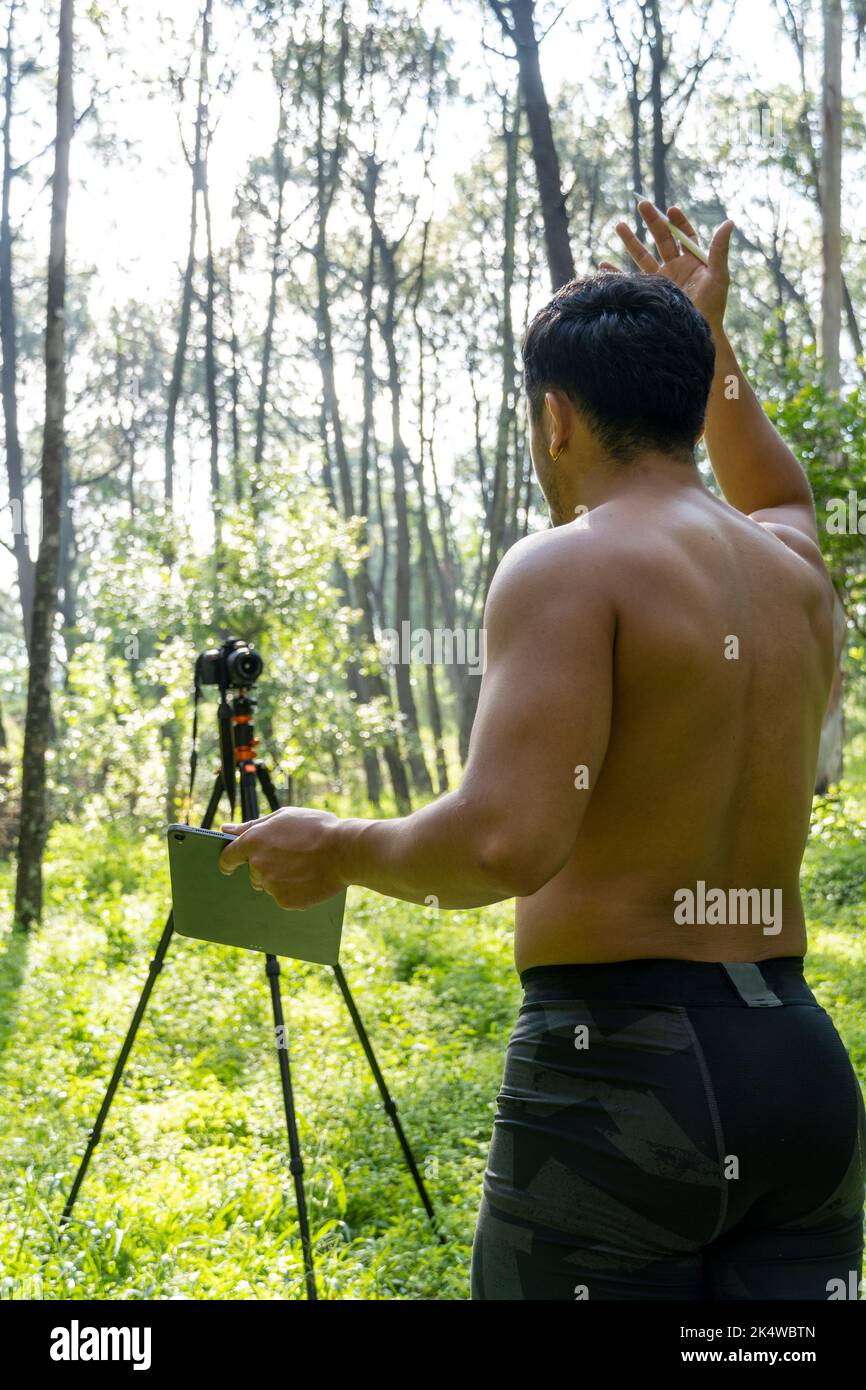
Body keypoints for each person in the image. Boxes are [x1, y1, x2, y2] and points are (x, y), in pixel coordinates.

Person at [220, 200, 865, 1301]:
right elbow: (779, 489)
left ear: (555, 418)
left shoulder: (566, 564)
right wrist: (711, 346)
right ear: (688, 392)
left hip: (616, 1067)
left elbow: (508, 841)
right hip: (798, 1067)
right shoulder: (790, 571)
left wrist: (333, 844)